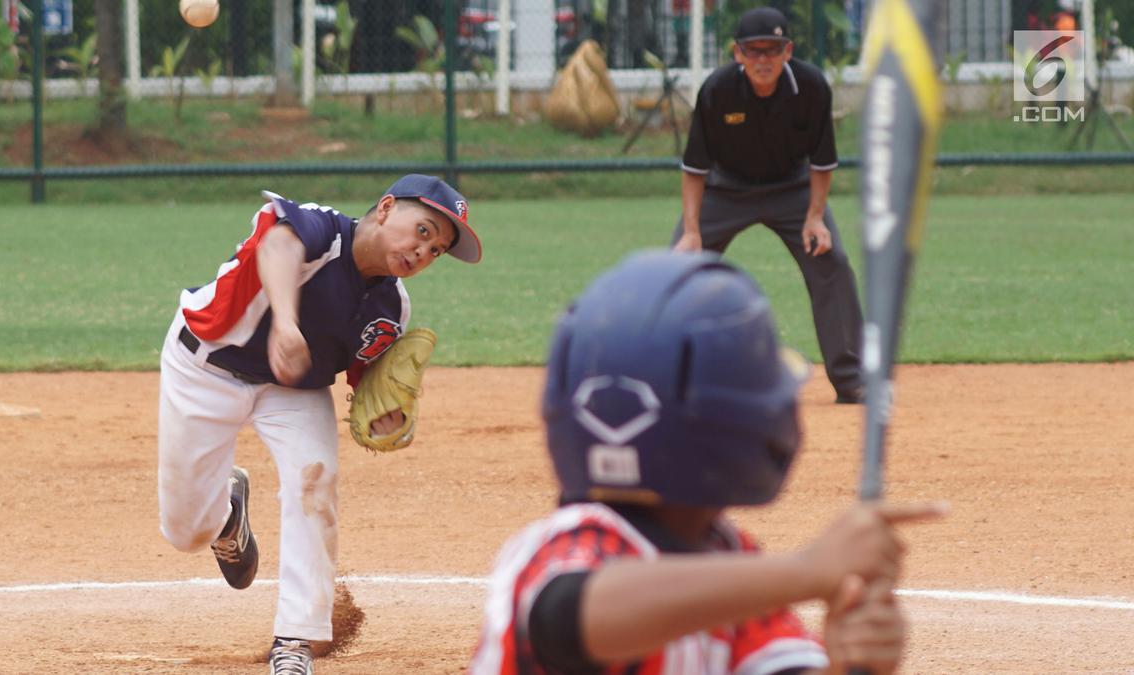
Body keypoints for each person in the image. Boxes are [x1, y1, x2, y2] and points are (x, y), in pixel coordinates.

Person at [470, 251, 945, 675]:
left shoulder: (728, 563)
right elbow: (570, 615)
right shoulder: (560, 549)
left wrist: (850, 666)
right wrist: (807, 571)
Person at [157, 175, 481, 675]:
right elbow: (277, 244)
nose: (423, 251)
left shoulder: (390, 310)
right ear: (386, 207)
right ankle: (225, 517)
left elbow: (365, 379)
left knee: (316, 481)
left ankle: (295, 643)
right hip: (206, 366)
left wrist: (385, 416)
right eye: (422, 230)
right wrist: (285, 322)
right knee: (185, 530)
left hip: (294, 390)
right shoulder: (319, 231)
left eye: (435, 249)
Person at [673, 6, 866, 404]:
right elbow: (694, 168)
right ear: (737, 53)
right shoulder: (717, 90)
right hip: (724, 189)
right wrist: (692, 231)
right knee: (674, 270)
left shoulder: (811, 87)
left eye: (772, 49)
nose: (763, 59)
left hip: (792, 189)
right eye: (753, 50)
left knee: (831, 262)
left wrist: (815, 217)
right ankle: (666, 372)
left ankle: (852, 379)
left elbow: (822, 162)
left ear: (788, 50)